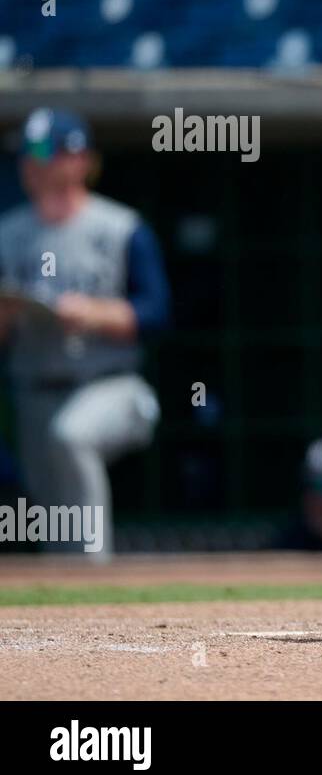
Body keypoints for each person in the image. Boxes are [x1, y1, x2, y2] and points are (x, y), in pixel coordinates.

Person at [0, 108, 170, 557]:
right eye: (28, 153)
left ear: (79, 160)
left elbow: (157, 314)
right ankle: (77, 615)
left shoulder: (120, 228)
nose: (32, 163)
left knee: (71, 436)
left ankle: (95, 566)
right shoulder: (7, 234)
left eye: (44, 151)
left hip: (110, 385)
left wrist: (94, 314)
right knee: (51, 510)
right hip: (33, 391)